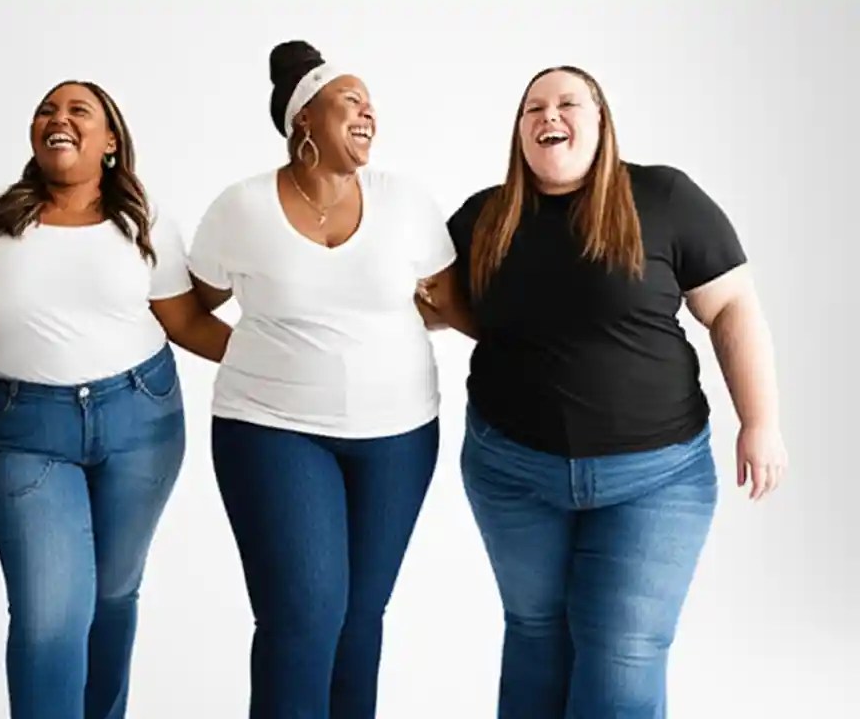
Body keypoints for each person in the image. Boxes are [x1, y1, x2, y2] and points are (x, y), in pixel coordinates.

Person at [423, 65, 789, 718]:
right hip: (512, 472)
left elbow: (732, 305)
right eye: (532, 107)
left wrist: (760, 421)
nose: (547, 116)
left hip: (656, 477)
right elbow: (427, 302)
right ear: (519, 131)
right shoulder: (485, 216)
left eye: (567, 102)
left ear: (601, 121)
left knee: (622, 658)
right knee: (536, 637)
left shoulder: (664, 198)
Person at [186, 41, 460, 718]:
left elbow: (448, 305)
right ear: (303, 117)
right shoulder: (242, 207)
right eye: (350, 99)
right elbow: (190, 311)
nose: (368, 112)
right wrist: (266, 356)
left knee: (361, 619)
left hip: (399, 436)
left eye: (371, 104)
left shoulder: (406, 202)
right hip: (271, 432)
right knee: (304, 615)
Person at [0, 79, 230, 719]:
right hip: (26, 429)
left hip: (141, 418)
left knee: (111, 596)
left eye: (80, 110)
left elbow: (184, 321)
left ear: (110, 141)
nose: (60, 118)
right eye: (47, 109)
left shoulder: (144, 217)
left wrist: (274, 356)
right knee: (50, 612)